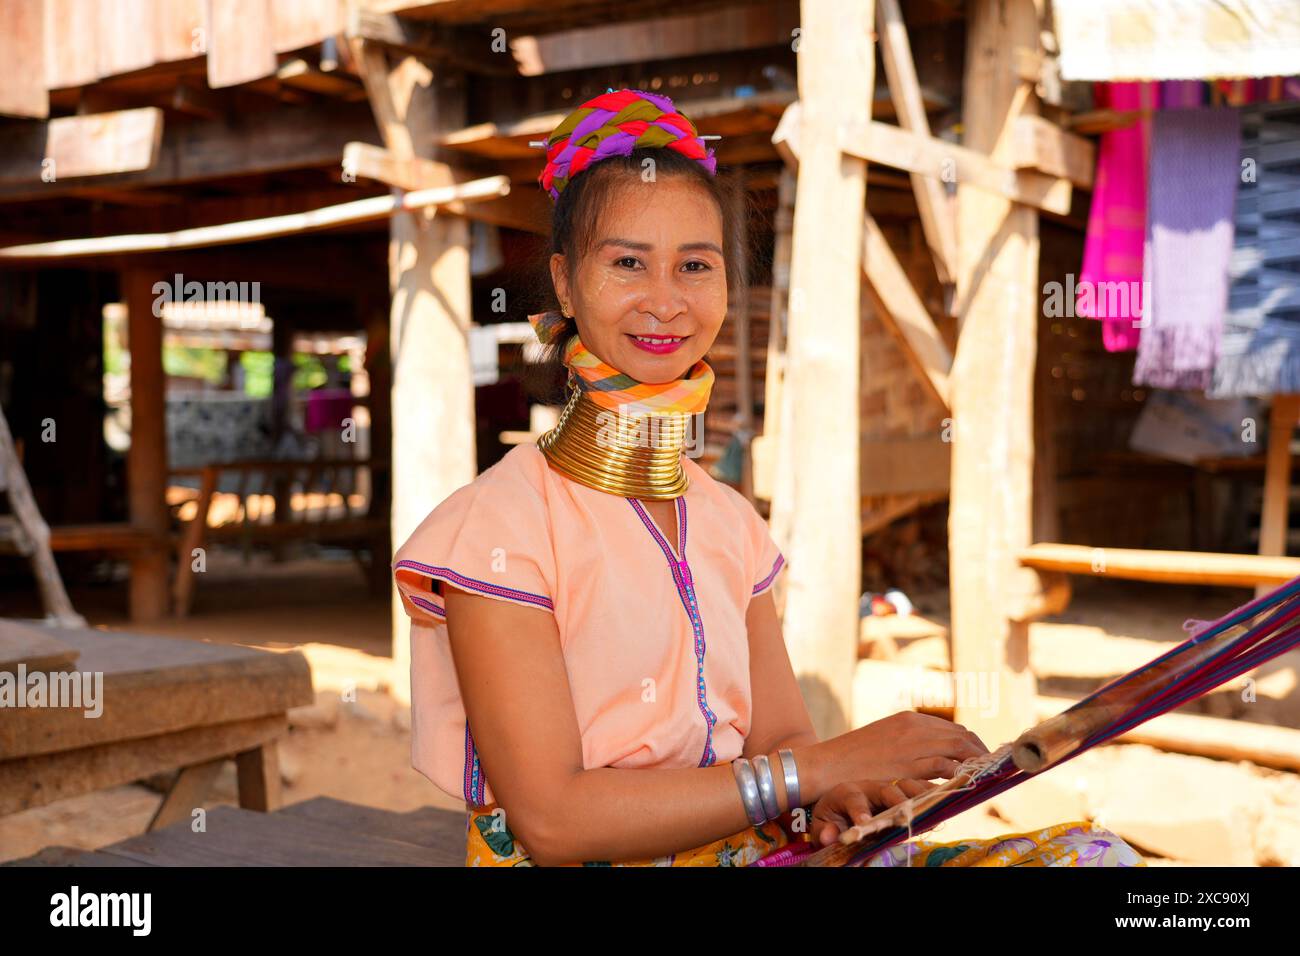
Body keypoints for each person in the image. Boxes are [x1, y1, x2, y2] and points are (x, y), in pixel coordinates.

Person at [392, 88, 1144, 868]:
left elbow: (782, 739)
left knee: (1091, 859)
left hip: (750, 856)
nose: (665, 300)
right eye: (626, 263)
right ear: (567, 284)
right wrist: (814, 770)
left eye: (695, 265)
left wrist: (833, 797)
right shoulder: (499, 527)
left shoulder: (727, 522)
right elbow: (553, 821)